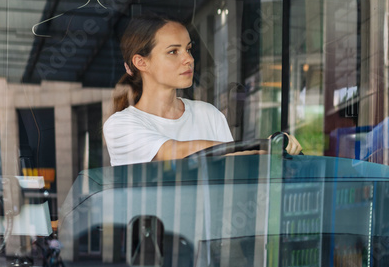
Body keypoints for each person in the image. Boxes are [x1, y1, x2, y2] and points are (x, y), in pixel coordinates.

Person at [103, 14, 300, 165]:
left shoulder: (208, 114)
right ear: (141, 62)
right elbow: (177, 154)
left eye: (188, 49)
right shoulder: (121, 125)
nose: (188, 59)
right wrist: (260, 147)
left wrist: (273, 150)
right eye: (173, 51)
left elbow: (232, 168)